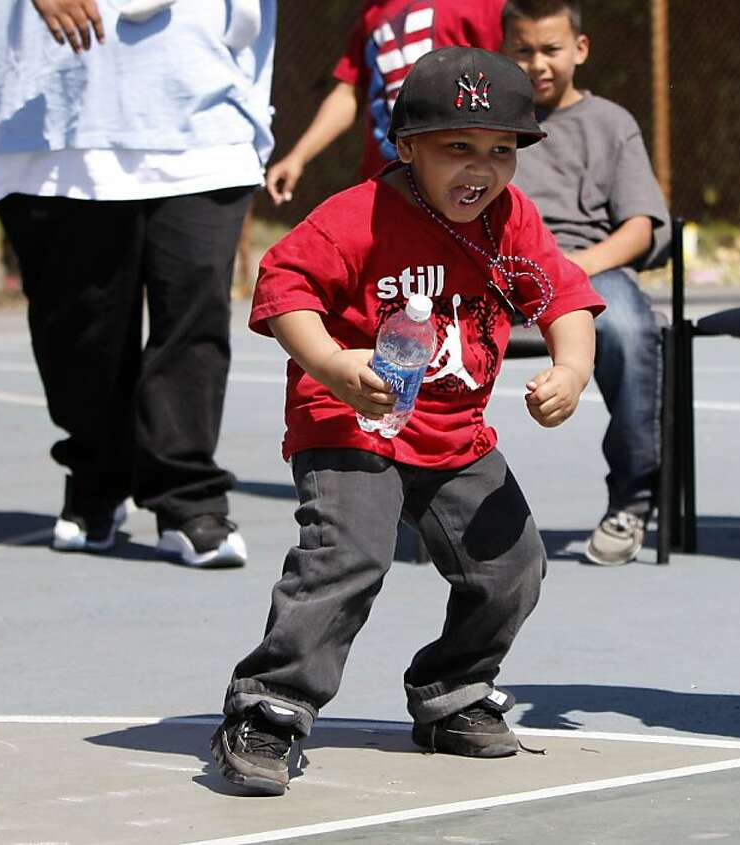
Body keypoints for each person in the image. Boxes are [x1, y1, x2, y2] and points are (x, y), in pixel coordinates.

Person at [211, 47, 604, 796]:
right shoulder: (356, 214)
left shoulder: (508, 219)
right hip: (351, 420)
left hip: (452, 428)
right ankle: (269, 705)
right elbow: (283, 284)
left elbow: (564, 298)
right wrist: (330, 364)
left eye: (500, 151)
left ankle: (452, 691)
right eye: (458, 148)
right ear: (408, 145)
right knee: (349, 556)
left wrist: (572, 368)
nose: (481, 169)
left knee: (513, 563)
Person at [0, 0, 276, 567]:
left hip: (203, 101)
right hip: (54, 108)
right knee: (80, 329)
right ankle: (97, 476)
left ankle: (188, 497)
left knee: (194, 319)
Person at [503, 0, 669, 566]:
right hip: (501, 273)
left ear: (580, 48)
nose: (537, 64)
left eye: (550, 50)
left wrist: (571, 270)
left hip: (587, 271)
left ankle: (633, 497)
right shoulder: (488, 124)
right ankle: (426, 494)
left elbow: (641, 229)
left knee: (625, 328)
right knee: (426, 324)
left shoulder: (611, 123)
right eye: (523, 51)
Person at [265, 0, 505, 204]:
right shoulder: (374, 11)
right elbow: (350, 92)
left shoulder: (487, 5)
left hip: (465, 183)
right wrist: (298, 157)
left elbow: (509, 76)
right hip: (390, 183)